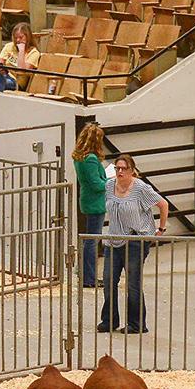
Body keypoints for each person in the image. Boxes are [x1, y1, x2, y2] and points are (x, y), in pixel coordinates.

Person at [97, 154, 168, 335]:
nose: (120, 172)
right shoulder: (109, 186)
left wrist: (160, 229)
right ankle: (109, 320)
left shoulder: (141, 188)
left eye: (124, 169)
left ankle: (136, 323)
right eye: (117, 168)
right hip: (114, 239)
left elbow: (163, 204)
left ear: (132, 171)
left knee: (132, 284)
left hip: (136, 240)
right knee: (108, 280)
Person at [72, 123, 107, 289]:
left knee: (88, 240)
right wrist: (110, 181)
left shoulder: (79, 157)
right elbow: (97, 184)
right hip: (95, 202)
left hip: (87, 199)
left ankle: (83, 272)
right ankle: (89, 278)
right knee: (92, 241)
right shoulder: (91, 159)